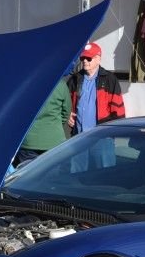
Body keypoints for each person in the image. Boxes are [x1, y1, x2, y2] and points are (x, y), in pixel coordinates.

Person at [67, 42, 125, 171]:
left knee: (105, 173)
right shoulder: (75, 79)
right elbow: (65, 103)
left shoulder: (110, 79)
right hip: (79, 137)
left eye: (89, 58)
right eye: (83, 58)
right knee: (76, 174)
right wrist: (67, 115)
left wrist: (109, 132)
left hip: (102, 138)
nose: (85, 61)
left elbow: (119, 112)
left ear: (98, 59)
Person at [15, 79, 71, 166]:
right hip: (54, 140)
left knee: (29, 173)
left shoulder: (23, 83)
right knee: (53, 173)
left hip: (28, 141)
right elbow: (66, 112)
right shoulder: (61, 85)